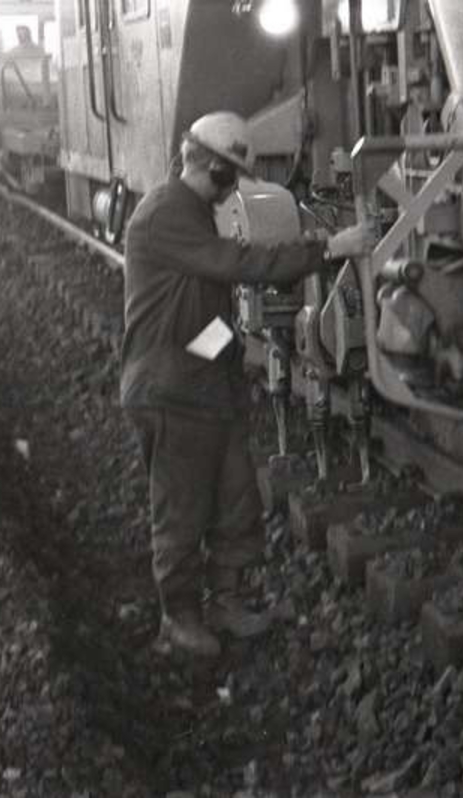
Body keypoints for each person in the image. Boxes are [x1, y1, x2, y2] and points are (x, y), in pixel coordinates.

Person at [121, 111, 373, 658]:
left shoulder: (192, 213)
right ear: (212, 166)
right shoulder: (166, 213)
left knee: (236, 497)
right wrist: (330, 248)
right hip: (169, 389)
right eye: (230, 175)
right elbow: (234, 263)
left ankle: (227, 603)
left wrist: (234, 356)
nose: (233, 186)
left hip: (202, 381)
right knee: (183, 507)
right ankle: (179, 619)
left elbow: (197, 314)